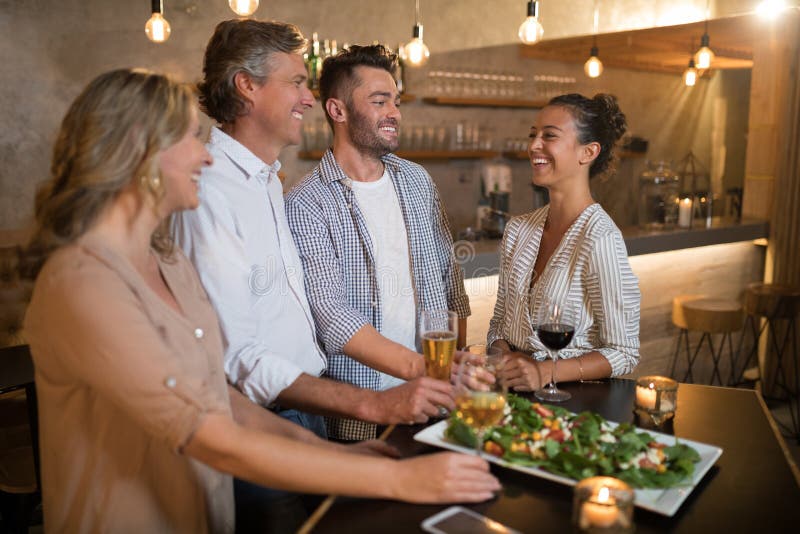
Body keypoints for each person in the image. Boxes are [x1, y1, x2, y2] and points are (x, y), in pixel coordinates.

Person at [20, 68, 499, 533]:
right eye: (190, 138)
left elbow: (223, 399)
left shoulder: (167, 261)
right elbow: (212, 437)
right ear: (140, 148)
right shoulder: (82, 283)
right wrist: (397, 477)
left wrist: (337, 453)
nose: (206, 157)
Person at [172, 20, 458, 531]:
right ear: (247, 86)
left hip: (303, 414)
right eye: (297, 82)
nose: (308, 98)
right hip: (259, 422)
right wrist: (375, 402)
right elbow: (241, 356)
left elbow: (443, 278)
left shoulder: (265, 182)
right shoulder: (214, 192)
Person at [285, 45, 470, 441]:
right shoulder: (306, 203)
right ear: (337, 110)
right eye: (379, 101)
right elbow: (331, 314)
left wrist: (452, 373)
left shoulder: (417, 180)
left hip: (436, 403)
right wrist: (421, 368)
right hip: (362, 414)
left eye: (396, 102)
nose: (395, 113)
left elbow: (449, 279)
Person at [488, 93, 641, 391]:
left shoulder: (600, 238)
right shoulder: (517, 230)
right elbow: (499, 325)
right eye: (533, 135)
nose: (534, 146)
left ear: (588, 152)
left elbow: (624, 352)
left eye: (549, 136)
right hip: (515, 394)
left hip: (573, 400)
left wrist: (546, 372)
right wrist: (503, 357)